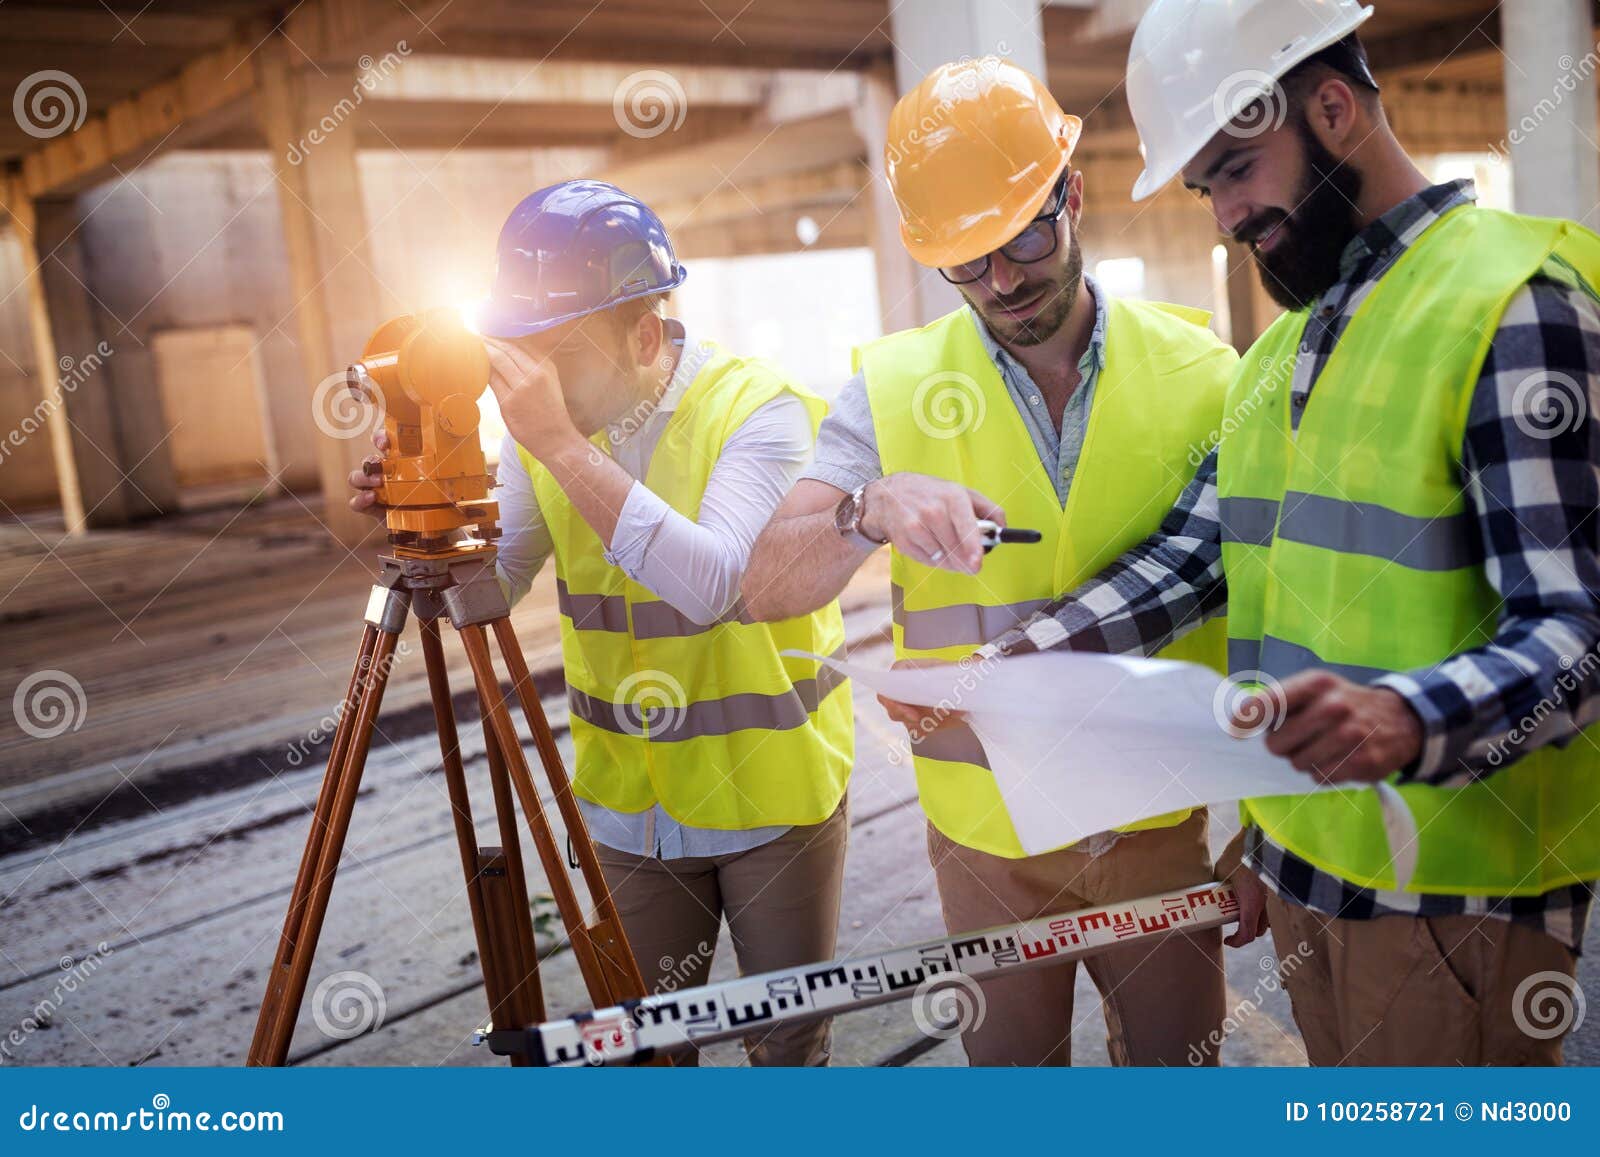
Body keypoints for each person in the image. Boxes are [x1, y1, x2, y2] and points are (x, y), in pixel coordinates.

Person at [949, 0, 1600, 1065]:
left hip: (1452, 894)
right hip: (1307, 876)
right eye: (1206, 188)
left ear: (1333, 109)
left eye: (1237, 171)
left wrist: (1406, 715)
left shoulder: (1513, 308)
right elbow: (1193, 557)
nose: (1223, 216)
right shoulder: (1283, 350)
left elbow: (1577, 631)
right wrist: (1011, 663)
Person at [741, 58, 1238, 1066]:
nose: (1002, 284)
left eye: (1022, 239)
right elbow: (765, 584)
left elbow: (1265, 593)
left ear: (1075, 195)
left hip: (1151, 818)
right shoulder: (891, 388)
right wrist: (862, 508)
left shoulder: (1207, 376)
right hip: (985, 838)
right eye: (966, 264)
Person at [350, 180, 854, 1065]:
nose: (531, 377)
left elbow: (715, 583)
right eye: (517, 348)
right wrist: (424, 502)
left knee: (786, 1048)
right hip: (628, 811)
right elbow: (491, 590)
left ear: (646, 333)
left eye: (558, 349)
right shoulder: (543, 436)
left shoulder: (759, 411)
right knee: (647, 1055)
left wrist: (562, 448)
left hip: (771, 798)